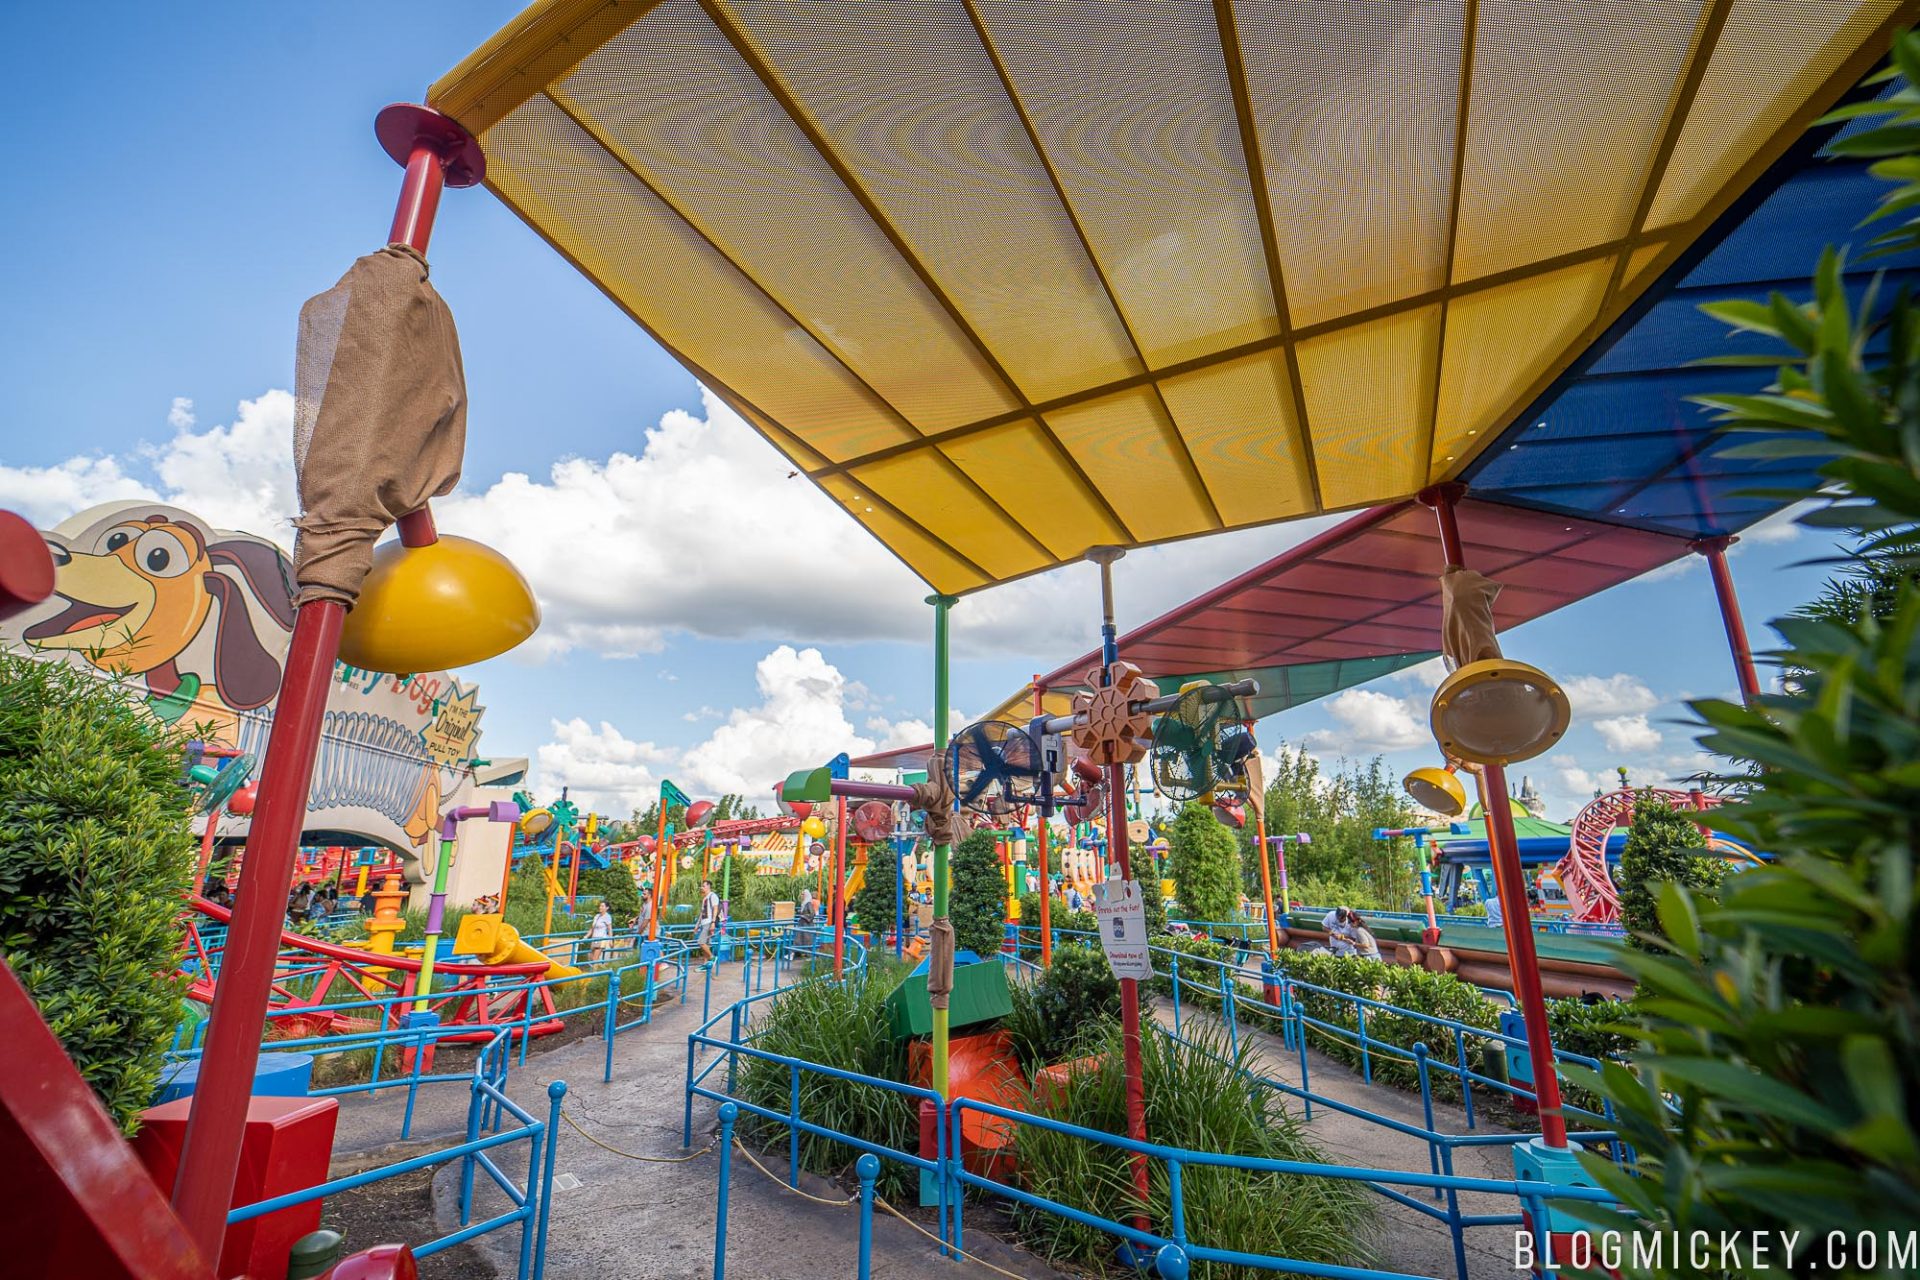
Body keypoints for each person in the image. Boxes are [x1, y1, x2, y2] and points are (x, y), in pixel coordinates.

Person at [695, 878, 721, 963]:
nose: (702, 888)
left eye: (704, 886)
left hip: (709, 922)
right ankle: (705, 963)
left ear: (708, 886)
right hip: (704, 923)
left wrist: (713, 922)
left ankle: (712, 957)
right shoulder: (705, 898)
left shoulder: (712, 896)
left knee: (701, 942)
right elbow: (702, 912)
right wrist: (697, 925)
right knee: (706, 944)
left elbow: (715, 909)